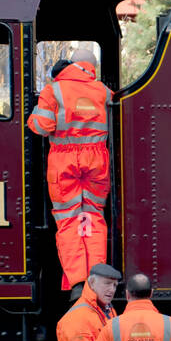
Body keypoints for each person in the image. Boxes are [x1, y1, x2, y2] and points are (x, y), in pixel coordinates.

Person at [27, 47, 112, 291]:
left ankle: (77, 282)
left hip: (64, 163)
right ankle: (97, 280)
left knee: (69, 220)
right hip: (96, 161)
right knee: (92, 217)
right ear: (91, 67)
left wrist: (31, 117)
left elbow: (42, 126)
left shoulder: (53, 90)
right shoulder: (102, 90)